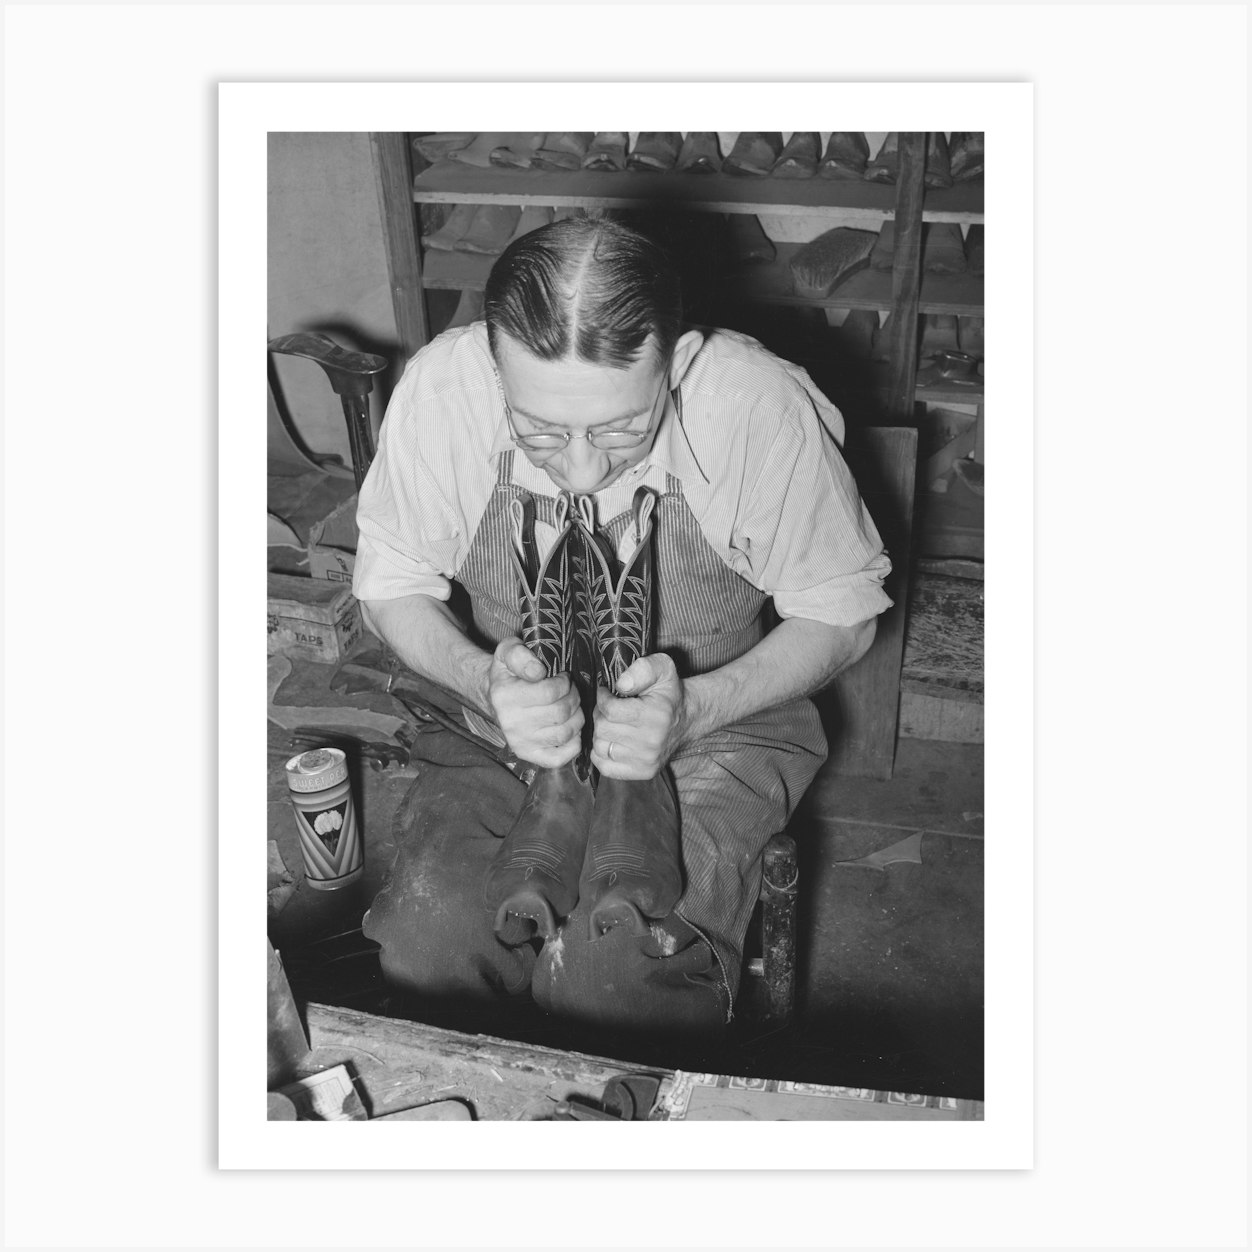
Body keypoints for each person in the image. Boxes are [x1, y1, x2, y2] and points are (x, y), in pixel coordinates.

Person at [351, 216, 891, 1047]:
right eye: (538, 432)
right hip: (501, 730)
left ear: (675, 359)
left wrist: (698, 710)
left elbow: (842, 615)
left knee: (622, 983)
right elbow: (390, 587)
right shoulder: (444, 393)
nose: (581, 469)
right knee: (429, 950)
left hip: (714, 731)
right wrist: (476, 679)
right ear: (495, 366)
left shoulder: (751, 405)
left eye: (620, 430)